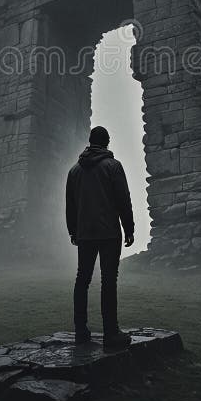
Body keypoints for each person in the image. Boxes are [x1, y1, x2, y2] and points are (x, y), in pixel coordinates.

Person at [65, 125, 135, 350]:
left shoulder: (75, 170)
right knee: (108, 281)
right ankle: (110, 333)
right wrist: (129, 227)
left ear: (90, 141)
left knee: (82, 280)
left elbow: (70, 205)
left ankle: (81, 331)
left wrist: (73, 231)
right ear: (107, 142)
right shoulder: (113, 166)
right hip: (108, 234)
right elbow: (123, 199)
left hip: (85, 234)